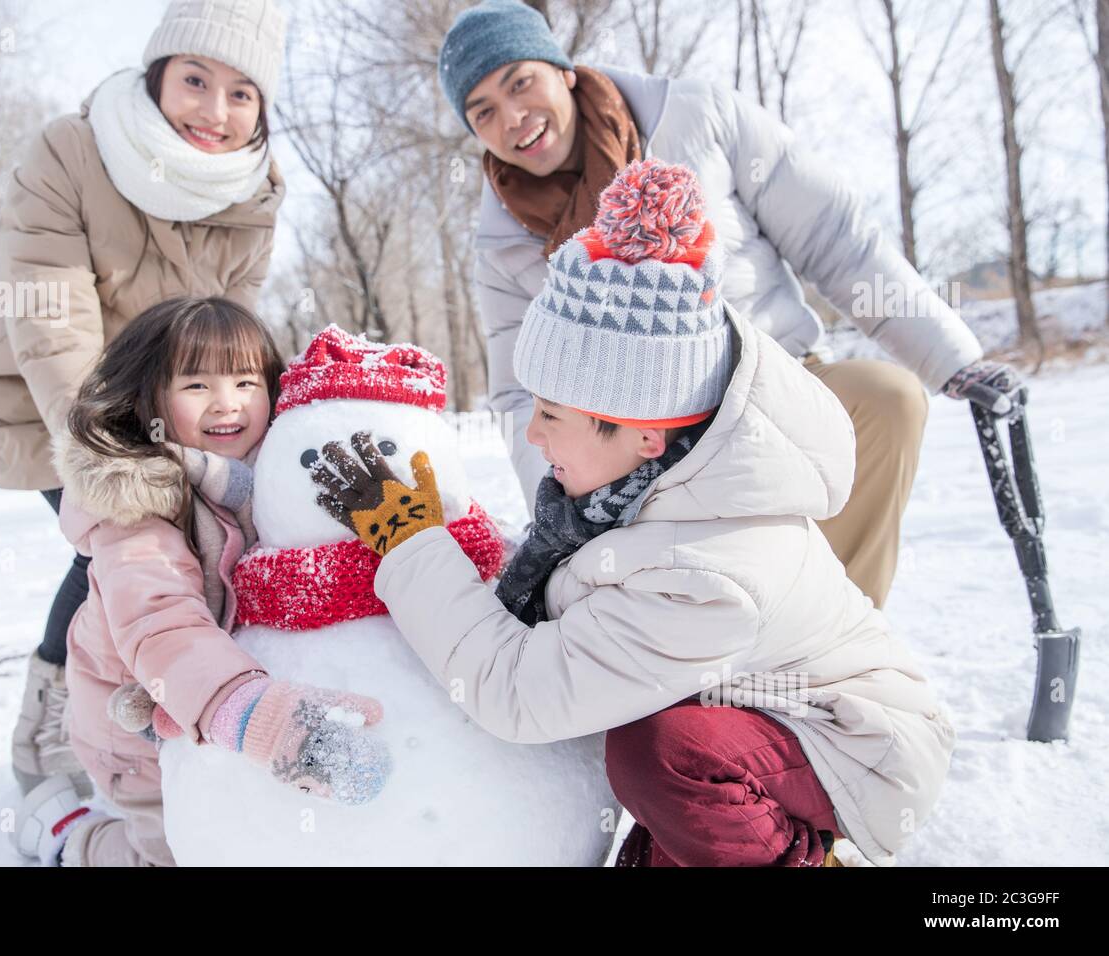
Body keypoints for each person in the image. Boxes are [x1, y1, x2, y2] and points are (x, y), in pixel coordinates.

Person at [310, 161, 956, 867]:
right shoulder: (653, 481)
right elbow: (569, 614)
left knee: (660, 758)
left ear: (645, 434)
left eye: (552, 415)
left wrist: (413, 546)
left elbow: (519, 692)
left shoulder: (708, 570)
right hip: (752, 710)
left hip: (852, 747)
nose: (532, 435)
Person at [436, 0, 1024, 610]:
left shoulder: (697, 115)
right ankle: (717, 661)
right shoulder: (502, 243)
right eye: (484, 112)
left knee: (887, 399)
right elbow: (513, 389)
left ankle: (837, 632)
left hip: (779, 386)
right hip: (642, 445)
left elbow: (834, 238)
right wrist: (562, 500)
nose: (514, 118)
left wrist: (951, 359)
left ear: (564, 71)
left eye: (520, 82)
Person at [0, 0, 289, 797]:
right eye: (195, 80)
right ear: (159, 74)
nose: (215, 110)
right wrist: (103, 454)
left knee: (203, 527)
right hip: (33, 392)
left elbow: (228, 327)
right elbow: (50, 320)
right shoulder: (72, 149)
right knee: (114, 536)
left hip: (155, 392)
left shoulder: (254, 193)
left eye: (243, 94)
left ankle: (146, 692)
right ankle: (54, 713)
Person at [11, 297, 392, 867]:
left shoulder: (268, 470)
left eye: (245, 381)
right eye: (196, 386)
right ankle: (68, 838)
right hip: (138, 728)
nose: (227, 403)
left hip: (215, 700)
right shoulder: (134, 508)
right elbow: (163, 624)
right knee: (173, 855)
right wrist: (256, 715)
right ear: (147, 399)